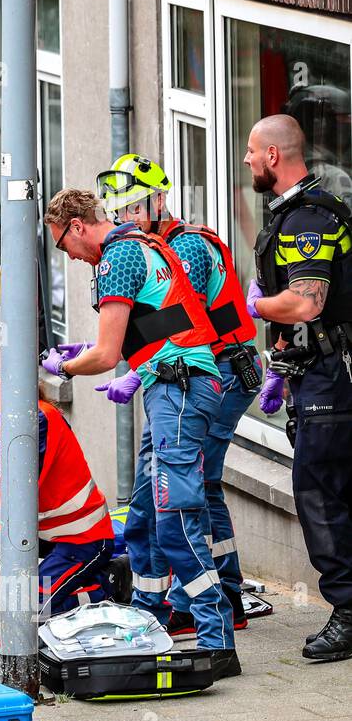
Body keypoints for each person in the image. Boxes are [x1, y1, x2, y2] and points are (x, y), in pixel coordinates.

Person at [42, 187, 239, 680]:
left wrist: (60, 372)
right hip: (172, 387)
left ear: (79, 226)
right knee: (147, 512)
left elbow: (108, 355)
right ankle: (153, 619)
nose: (66, 252)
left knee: (176, 518)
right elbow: (149, 329)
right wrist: (81, 352)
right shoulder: (140, 246)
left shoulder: (119, 256)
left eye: (63, 242)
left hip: (180, 391)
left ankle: (218, 641)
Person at [95, 154, 257, 632]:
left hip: (214, 372)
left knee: (190, 490)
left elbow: (187, 324)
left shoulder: (184, 247)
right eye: (121, 211)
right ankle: (196, 601)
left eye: (135, 208)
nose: (127, 219)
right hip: (190, 374)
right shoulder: (157, 246)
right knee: (181, 491)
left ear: (160, 199)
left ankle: (217, 602)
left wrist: (127, 362)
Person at [244, 114, 352, 662]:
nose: (245, 160)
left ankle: (349, 612)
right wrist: (279, 369)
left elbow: (306, 303)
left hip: (333, 380)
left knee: (318, 492)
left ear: (273, 157)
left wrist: (256, 304)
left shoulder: (307, 219)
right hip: (321, 370)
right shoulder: (297, 213)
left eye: (251, 151)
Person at [0, 347, 113, 616]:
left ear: (0, 383)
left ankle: (105, 587)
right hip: (46, 534)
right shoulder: (12, 419)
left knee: (21, 611)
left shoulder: (36, 418)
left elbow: (14, 497)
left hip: (82, 538)